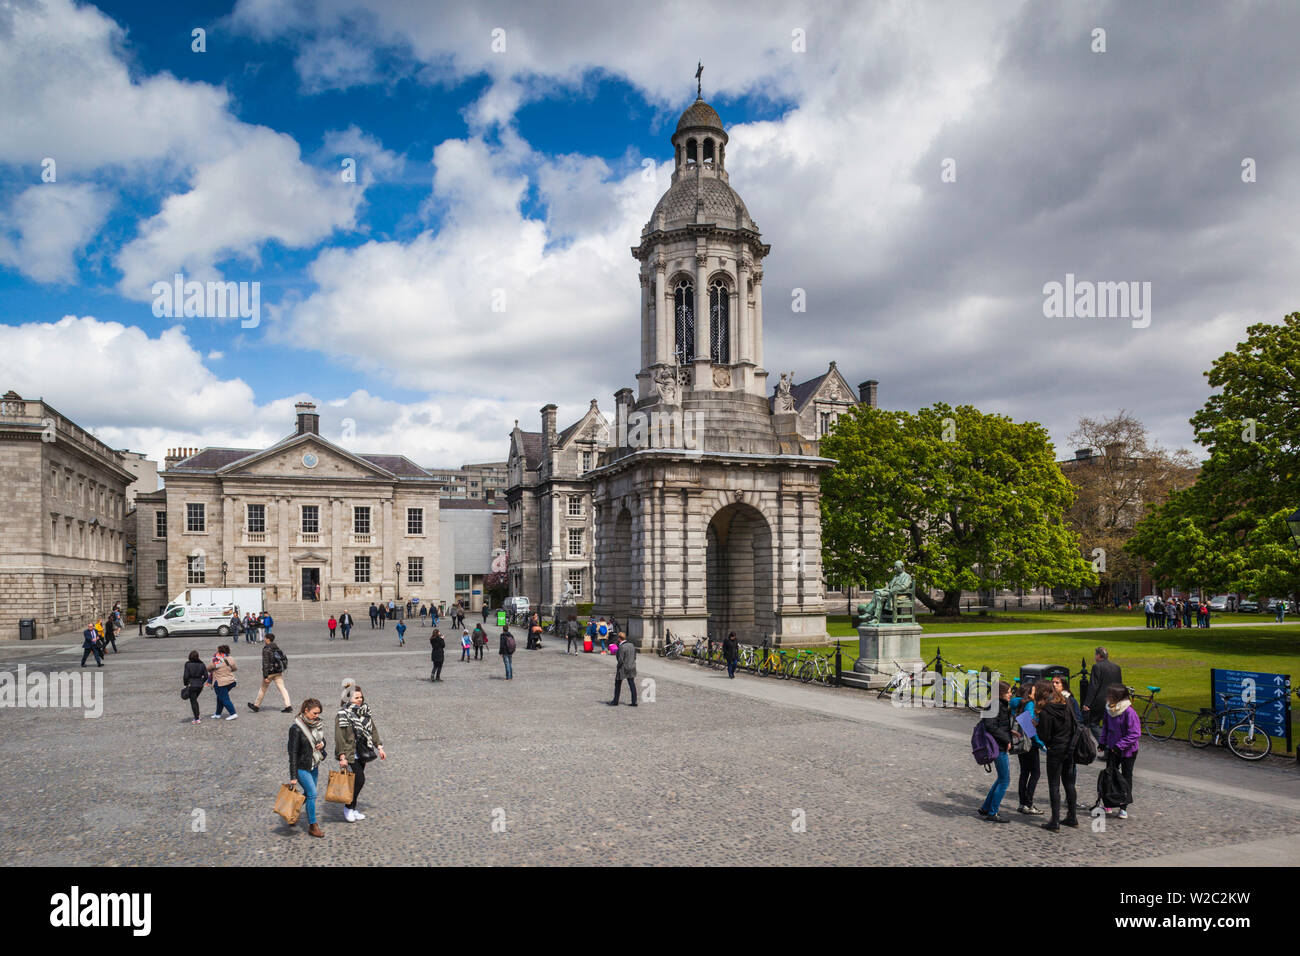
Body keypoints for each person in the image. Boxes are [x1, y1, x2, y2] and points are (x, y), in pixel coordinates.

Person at [335, 682, 385, 822]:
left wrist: (379, 746)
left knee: (355, 782)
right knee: (359, 780)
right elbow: (339, 737)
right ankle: (348, 808)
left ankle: (352, 808)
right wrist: (342, 756)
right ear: (347, 698)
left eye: (361, 697)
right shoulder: (342, 714)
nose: (360, 700)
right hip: (350, 753)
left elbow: (372, 730)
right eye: (356, 697)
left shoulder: (365, 711)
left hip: (363, 751)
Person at [1038, 683, 1080, 831]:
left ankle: (1054, 820)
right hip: (1069, 748)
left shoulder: (1046, 712)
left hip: (1055, 749)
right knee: (1069, 783)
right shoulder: (1067, 707)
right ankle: (1072, 816)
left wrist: (1036, 726)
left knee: (1054, 785)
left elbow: (1044, 735)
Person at [1098, 684, 1140, 820]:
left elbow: (1134, 734)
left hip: (1128, 751)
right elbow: (1105, 726)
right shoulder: (1109, 710)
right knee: (1110, 775)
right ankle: (1109, 803)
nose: (1107, 697)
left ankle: (1123, 806)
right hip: (1112, 748)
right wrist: (1102, 742)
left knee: (1126, 777)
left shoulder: (1129, 712)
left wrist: (1119, 746)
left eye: (1110, 695)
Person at [289, 698, 327, 838]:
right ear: (306, 711)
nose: (317, 716)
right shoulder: (295, 729)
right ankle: (313, 825)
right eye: (315, 713)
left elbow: (323, 739)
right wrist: (293, 776)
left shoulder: (316, 724)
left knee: (308, 793)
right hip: (301, 767)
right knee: (312, 794)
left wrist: (322, 744)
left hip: (314, 764)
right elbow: (292, 753)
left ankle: (292, 812)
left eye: (318, 713)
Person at [976, 681, 1013, 823]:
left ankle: (986, 807)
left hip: (999, 745)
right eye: (1009, 691)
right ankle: (992, 812)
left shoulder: (998, 704)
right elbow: (990, 725)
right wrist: (1006, 739)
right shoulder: (996, 704)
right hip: (998, 746)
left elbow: (998, 724)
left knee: (1001, 778)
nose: (1011, 694)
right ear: (1001, 692)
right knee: (1005, 780)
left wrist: (1011, 732)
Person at [1013, 680, 1050, 815]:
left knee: (1024, 773)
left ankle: (1022, 803)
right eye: (1033, 691)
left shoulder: (1019, 703)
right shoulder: (1029, 704)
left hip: (1021, 742)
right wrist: (1039, 742)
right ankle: (1028, 803)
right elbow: (1027, 722)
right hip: (1030, 744)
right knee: (1035, 773)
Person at [248, 633, 292, 713]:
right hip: (278, 671)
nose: (264, 639)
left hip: (270, 673)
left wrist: (265, 676)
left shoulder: (266, 649)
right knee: (282, 689)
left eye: (265, 638)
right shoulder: (276, 647)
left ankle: (256, 706)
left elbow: (265, 663)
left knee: (263, 689)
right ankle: (288, 706)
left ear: (268, 639)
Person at [1082, 647, 1122, 733]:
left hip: (1100, 701)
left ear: (1099, 656)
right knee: (1109, 724)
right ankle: (1108, 742)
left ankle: (1103, 744)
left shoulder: (1097, 667)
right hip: (1114, 700)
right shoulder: (1116, 667)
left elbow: (1093, 686)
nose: (1094, 657)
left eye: (1095, 655)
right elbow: (1119, 685)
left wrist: (1087, 703)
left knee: (1093, 724)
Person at [207, 644, 239, 720]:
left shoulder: (217, 660)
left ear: (220, 652)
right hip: (231, 681)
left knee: (224, 699)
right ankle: (218, 713)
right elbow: (234, 668)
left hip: (220, 683)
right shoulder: (230, 658)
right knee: (220, 697)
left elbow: (208, 668)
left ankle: (233, 713)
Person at [609, 634, 638, 706]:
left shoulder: (621, 647)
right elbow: (634, 657)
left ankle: (615, 701)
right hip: (632, 666)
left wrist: (618, 667)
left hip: (623, 668)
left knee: (618, 684)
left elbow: (620, 660)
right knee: (632, 684)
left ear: (619, 638)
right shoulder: (631, 645)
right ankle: (634, 701)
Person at [183, 650, 207, 723]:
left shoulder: (187, 664)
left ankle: (197, 718)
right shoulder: (202, 664)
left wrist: (185, 684)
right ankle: (197, 715)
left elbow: (186, 676)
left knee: (193, 701)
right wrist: (201, 682)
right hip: (200, 685)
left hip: (192, 685)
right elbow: (206, 676)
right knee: (194, 700)